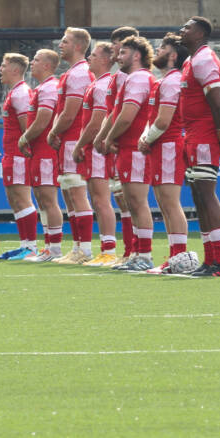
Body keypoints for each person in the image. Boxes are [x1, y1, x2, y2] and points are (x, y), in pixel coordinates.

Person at [177, 17, 220, 277]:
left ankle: (219, 262)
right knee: (198, 196)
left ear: (200, 33)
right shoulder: (190, 60)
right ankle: (210, 259)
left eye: (186, 27)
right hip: (193, 137)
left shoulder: (205, 59)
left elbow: (218, 104)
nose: (181, 30)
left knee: (207, 195)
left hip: (205, 137)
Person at [105, 36, 158, 272]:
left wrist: (108, 138)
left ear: (137, 55)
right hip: (128, 147)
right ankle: (137, 251)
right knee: (131, 203)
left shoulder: (139, 78)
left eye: (124, 52)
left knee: (137, 202)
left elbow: (127, 115)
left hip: (135, 148)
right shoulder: (133, 79)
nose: (118, 56)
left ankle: (144, 255)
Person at [139, 33, 190, 274]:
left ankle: (179, 257)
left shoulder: (172, 81)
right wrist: (147, 138)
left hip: (169, 145)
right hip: (160, 146)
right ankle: (174, 257)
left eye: (161, 48)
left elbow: (165, 119)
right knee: (164, 203)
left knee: (170, 203)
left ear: (172, 55)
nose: (156, 51)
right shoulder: (164, 80)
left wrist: (146, 139)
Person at [48, 28, 96, 264]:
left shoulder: (79, 74)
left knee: (77, 193)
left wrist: (53, 132)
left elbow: (70, 112)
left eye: (65, 41)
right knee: (69, 193)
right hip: (67, 140)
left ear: (78, 46)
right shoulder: (71, 73)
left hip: (75, 139)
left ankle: (85, 250)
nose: (60, 45)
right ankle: (78, 246)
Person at [94, 27, 141, 265]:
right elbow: (112, 112)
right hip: (117, 142)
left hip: (128, 143)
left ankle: (136, 251)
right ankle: (128, 251)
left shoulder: (130, 76)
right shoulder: (118, 76)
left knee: (131, 200)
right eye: (114, 45)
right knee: (122, 198)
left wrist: (107, 136)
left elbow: (122, 112)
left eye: (120, 46)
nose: (115, 50)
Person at [72, 42, 118, 265]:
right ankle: (105, 249)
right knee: (97, 199)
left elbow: (96, 122)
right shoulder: (97, 84)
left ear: (105, 60)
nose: (89, 58)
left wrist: (80, 143)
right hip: (93, 148)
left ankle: (109, 250)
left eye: (94, 55)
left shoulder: (102, 86)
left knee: (101, 200)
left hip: (98, 149)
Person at [19, 49, 63, 262]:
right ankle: (48, 247)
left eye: (36, 60)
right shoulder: (41, 88)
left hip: (46, 152)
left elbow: (44, 118)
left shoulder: (49, 87)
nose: (32, 63)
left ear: (47, 65)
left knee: (48, 199)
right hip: (38, 151)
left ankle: (54, 249)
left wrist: (24, 137)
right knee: (42, 200)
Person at [0, 53, 41, 261]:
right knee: (15, 199)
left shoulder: (21, 93)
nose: (0, 69)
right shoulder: (14, 92)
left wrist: (25, 148)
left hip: (19, 155)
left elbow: (27, 126)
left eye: (4, 65)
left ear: (15, 69)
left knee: (22, 199)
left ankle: (31, 247)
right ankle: (25, 245)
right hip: (11, 154)